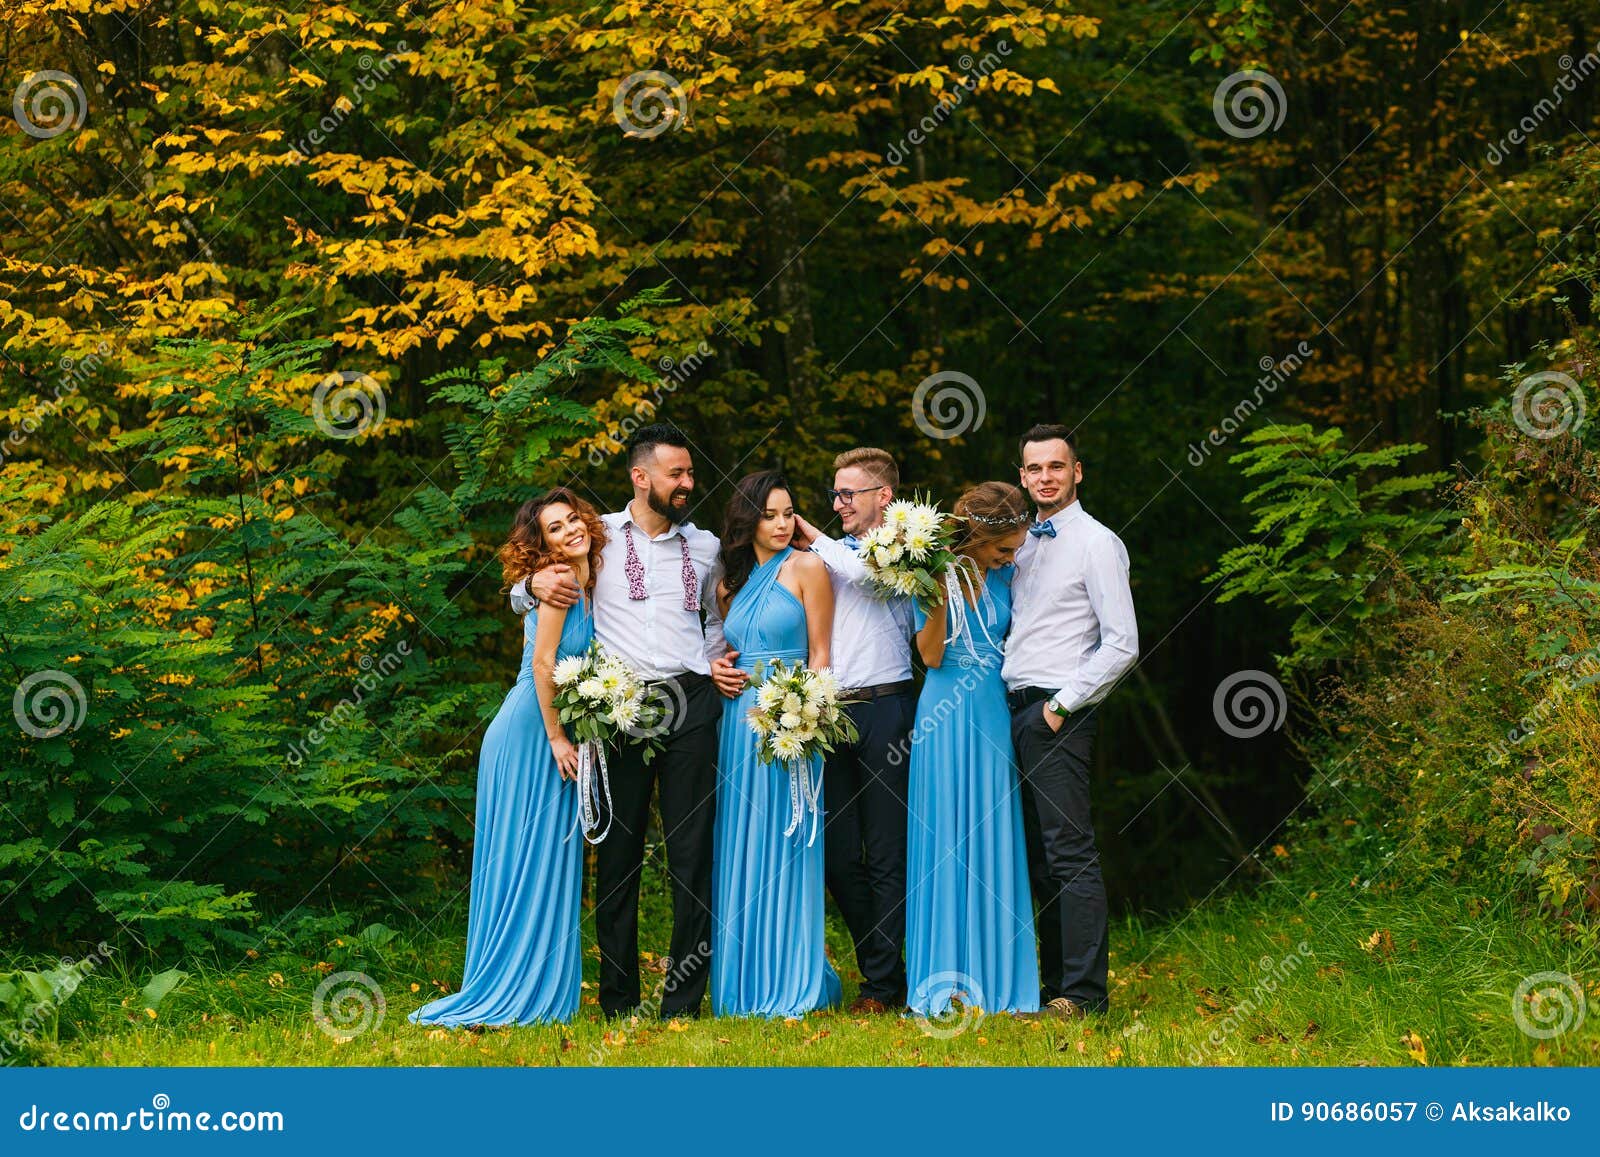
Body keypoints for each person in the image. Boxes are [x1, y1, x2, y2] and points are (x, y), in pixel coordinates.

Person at [512, 424, 724, 1019]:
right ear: (640, 476)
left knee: (692, 857)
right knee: (618, 856)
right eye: (676, 474)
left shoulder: (704, 545)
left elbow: (716, 616)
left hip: (693, 706)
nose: (687, 483)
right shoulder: (596, 535)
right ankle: (618, 1001)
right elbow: (529, 590)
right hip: (620, 709)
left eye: (689, 473)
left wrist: (721, 659)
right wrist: (528, 583)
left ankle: (683, 1004)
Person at [411, 489, 602, 1026]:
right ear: (542, 545)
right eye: (555, 529)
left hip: (554, 727)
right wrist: (559, 738)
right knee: (524, 856)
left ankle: (538, 984)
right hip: (531, 732)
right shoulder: (559, 584)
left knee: (549, 855)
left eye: (573, 520)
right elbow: (544, 665)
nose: (570, 532)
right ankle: (507, 986)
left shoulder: (589, 580)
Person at [1002, 424, 1139, 1019]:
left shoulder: (1097, 543)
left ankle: (1084, 996)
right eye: (1034, 469)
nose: (1045, 478)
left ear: (1077, 472)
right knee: (1034, 856)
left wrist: (1059, 707)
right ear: (1022, 475)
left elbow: (1122, 643)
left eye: (1056, 467)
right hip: (1008, 709)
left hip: (1057, 712)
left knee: (1069, 854)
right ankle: (1051, 986)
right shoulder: (1019, 543)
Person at [709, 469, 843, 1017]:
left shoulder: (808, 568)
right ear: (747, 519)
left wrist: (806, 716)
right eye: (770, 514)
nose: (783, 523)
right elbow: (725, 648)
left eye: (789, 512)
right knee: (740, 843)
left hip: (791, 719)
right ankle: (743, 977)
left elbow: (821, 653)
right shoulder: (728, 584)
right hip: (739, 722)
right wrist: (716, 669)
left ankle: (792, 974)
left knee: (789, 841)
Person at [905, 482, 1040, 1020]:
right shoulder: (930, 576)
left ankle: (998, 974)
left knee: (993, 833)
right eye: (1003, 548)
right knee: (943, 837)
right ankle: (943, 976)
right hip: (942, 710)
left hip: (991, 710)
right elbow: (931, 655)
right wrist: (939, 594)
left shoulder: (1007, 575)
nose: (1011, 557)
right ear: (977, 537)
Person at [788, 448, 915, 1014]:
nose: (838, 503)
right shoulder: (825, 555)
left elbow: (868, 576)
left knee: (887, 854)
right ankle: (882, 967)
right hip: (832, 711)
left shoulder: (908, 546)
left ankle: (884, 987)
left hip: (889, 711)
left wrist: (812, 536)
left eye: (848, 494)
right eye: (834, 494)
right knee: (840, 858)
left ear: (882, 497)